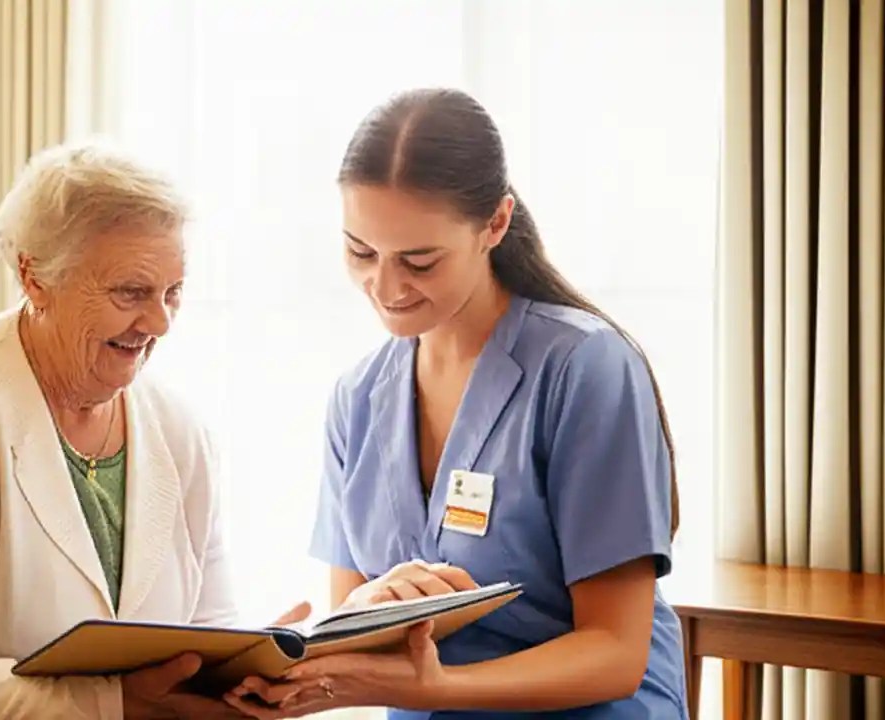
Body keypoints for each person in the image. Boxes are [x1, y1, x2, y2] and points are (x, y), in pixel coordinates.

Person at [225, 89, 688, 719]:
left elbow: (614, 651)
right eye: (361, 252)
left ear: (494, 224)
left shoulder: (585, 368)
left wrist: (427, 688)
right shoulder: (359, 398)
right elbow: (354, 617)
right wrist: (316, 656)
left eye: (418, 260)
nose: (384, 288)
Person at [0, 143, 294, 719]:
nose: (160, 322)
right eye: (131, 292)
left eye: (173, 291)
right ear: (35, 277)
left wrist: (250, 673)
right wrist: (122, 705)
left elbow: (207, 629)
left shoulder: (178, 427)